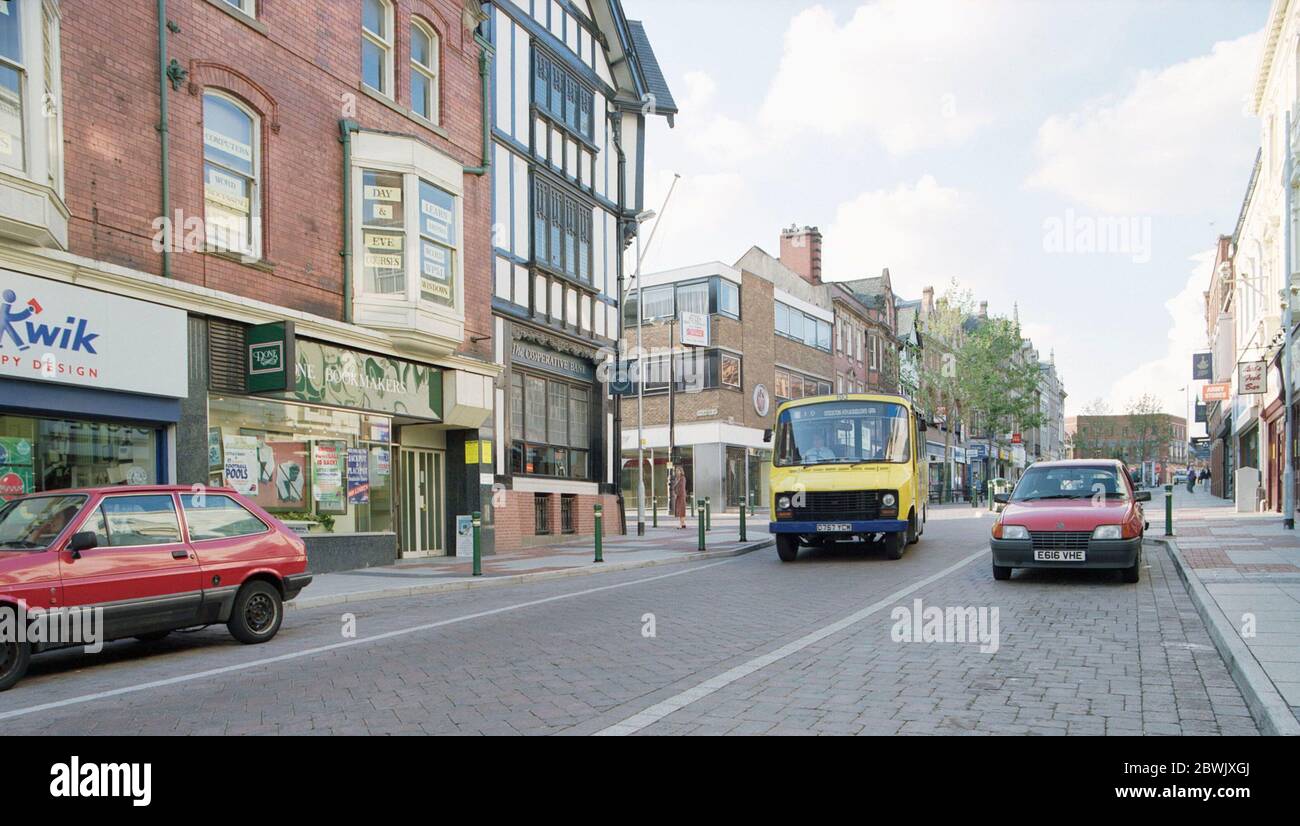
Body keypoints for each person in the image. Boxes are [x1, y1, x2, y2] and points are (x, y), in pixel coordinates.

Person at [672, 465, 688, 529]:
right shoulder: (677, 478)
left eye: (678, 471)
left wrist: (677, 494)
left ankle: (681, 524)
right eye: (676, 471)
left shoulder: (682, 478)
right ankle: (683, 523)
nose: (677, 472)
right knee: (680, 510)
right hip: (678, 496)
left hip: (681, 495)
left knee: (682, 510)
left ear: (681, 471)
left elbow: (682, 487)